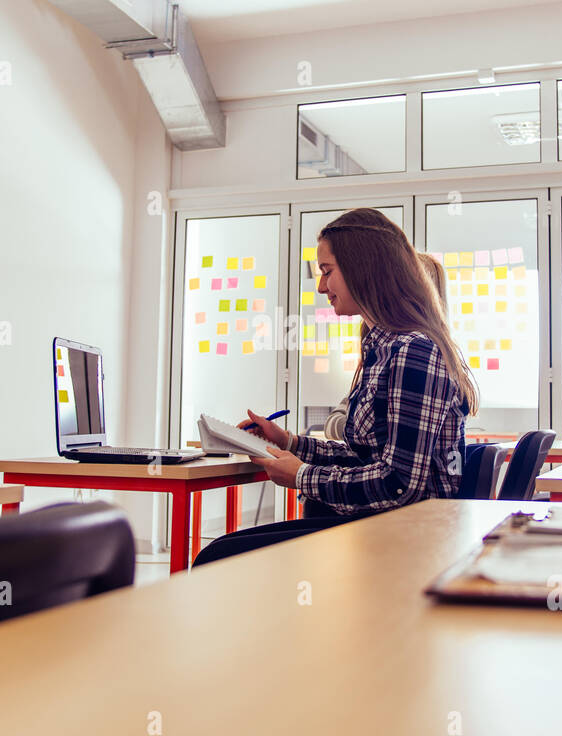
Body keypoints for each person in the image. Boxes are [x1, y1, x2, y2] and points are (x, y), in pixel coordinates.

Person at [194, 210, 477, 564]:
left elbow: (400, 484)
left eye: (327, 272)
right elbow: (365, 458)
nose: (321, 287)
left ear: (364, 268)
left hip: (405, 536)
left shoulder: (412, 351)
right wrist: (289, 443)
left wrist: (302, 475)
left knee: (218, 558)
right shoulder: (384, 348)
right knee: (222, 553)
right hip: (384, 525)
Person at [321, 250, 449, 439]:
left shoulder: (415, 354)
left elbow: (396, 466)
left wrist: (357, 427)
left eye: (328, 272)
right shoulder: (384, 353)